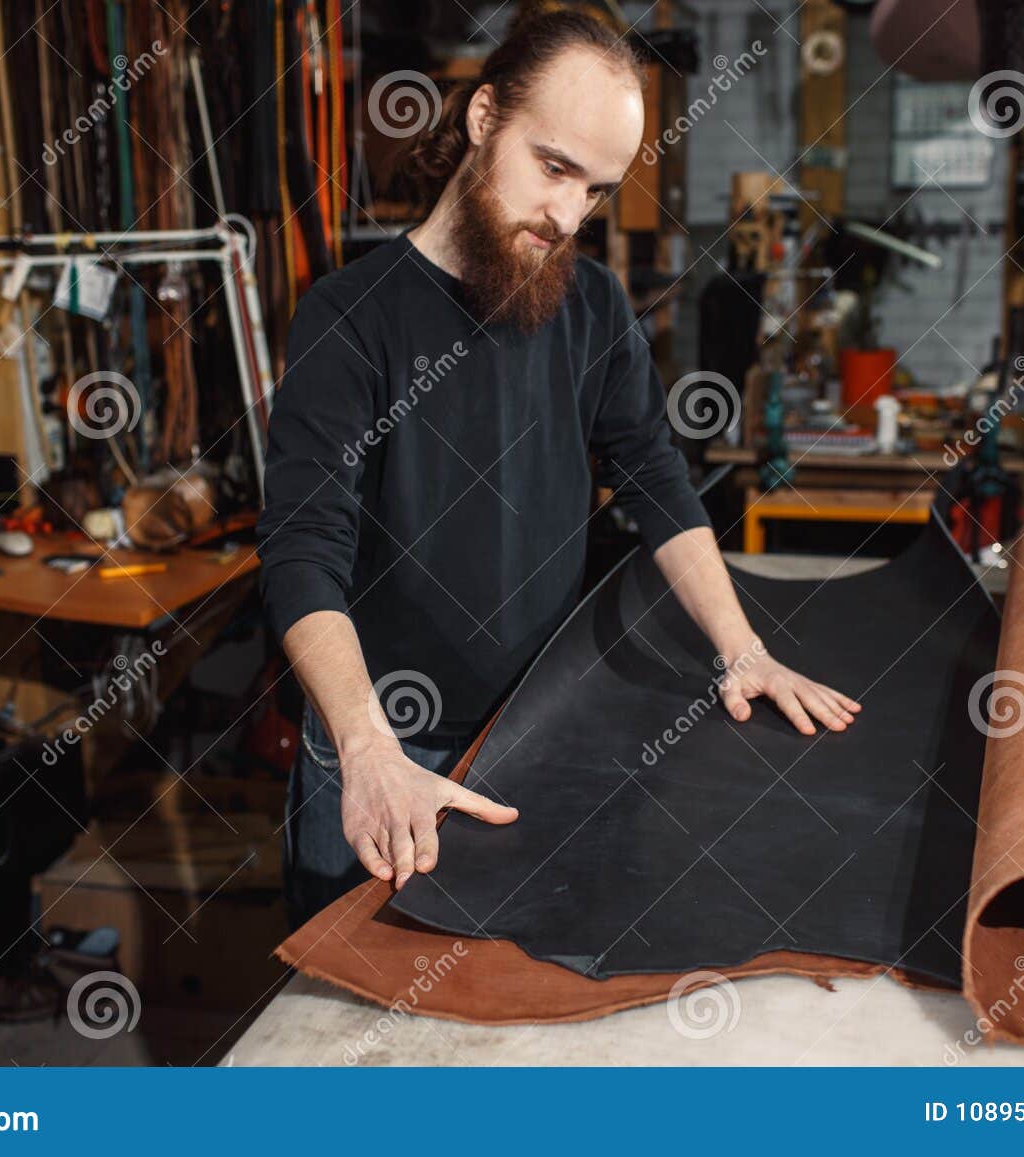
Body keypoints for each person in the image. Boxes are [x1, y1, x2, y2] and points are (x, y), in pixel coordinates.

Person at [258, 9, 860, 928]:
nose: (566, 214)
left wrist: (745, 651)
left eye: (597, 189)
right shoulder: (350, 318)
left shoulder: (590, 305)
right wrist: (369, 748)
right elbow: (302, 549)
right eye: (553, 167)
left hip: (535, 732)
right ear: (482, 116)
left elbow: (657, 476)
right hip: (386, 751)